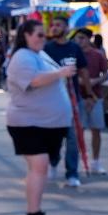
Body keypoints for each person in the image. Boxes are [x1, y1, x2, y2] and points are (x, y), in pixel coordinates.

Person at [5, 19, 78, 215]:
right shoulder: (21, 57)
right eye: (38, 35)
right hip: (29, 123)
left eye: (43, 35)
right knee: (40, 166)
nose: (42, 39)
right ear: (25, 35)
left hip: (43, 123)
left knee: (39, 168)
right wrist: (60, 74)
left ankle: (35, 212)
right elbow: (33, 81)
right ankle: (33, 214)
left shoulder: (37, 54)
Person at [40, 17, 85, 187]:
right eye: (53, 24)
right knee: (54, 137)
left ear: (67, 28)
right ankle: (53, 161)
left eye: (58, 25)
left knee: (73, 138)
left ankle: (72, 173)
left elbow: (83, 71)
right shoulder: (46, 49)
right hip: (53, 101)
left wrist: (88, 94)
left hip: (73, 101)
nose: (54, 27)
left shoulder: (75, 48)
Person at [74, 29, 107, 176]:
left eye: (81, 38)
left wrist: (95, 81)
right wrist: (84, 82)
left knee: (96, 130)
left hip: (96, 96)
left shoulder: (98, 55)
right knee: (78, 131)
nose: (79, 41)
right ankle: (81, 162)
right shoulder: (73, 55)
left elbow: (105, 74)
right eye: (77, 38)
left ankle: (96, 162)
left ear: (88, 39)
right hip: (79, 96)